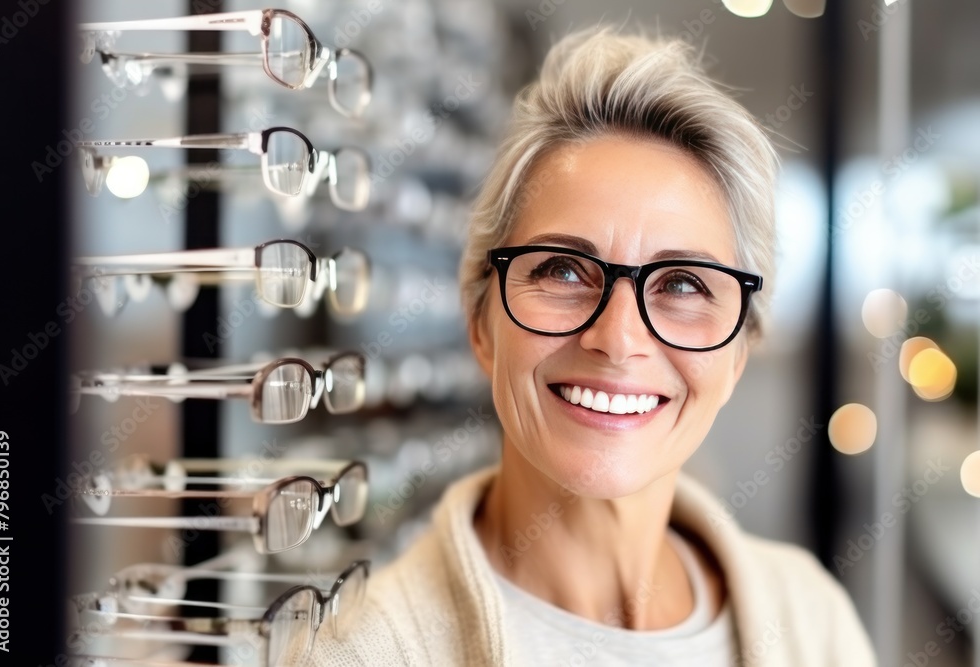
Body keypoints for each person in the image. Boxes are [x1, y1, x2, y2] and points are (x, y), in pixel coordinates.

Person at [311, 26, 876, 666]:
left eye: (683, 284)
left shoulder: (814, 621)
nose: (617, 338)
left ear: (738, 354)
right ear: (480, 323)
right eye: (563, 271)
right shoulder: (356, 655)